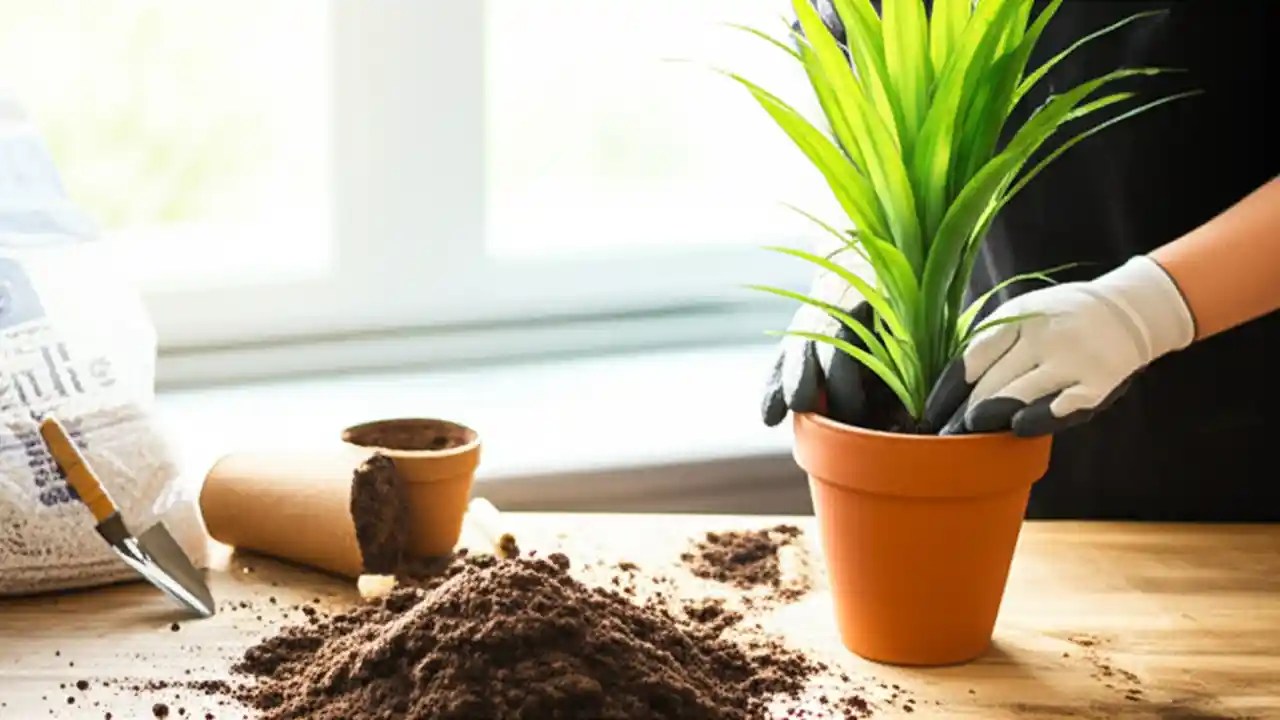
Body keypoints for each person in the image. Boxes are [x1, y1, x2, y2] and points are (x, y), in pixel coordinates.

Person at [761, 0, 1280, 521]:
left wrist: (1151, 308)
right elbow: (856, 67)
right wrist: (860, 259)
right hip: (998, 414)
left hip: (1239, 452)